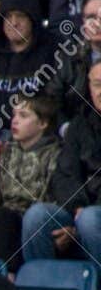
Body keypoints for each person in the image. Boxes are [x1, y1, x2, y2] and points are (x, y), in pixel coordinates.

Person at [23, 61, 101, 265]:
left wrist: (84, 218)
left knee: (90, 220)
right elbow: (64, 175)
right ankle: (42, 283)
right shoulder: (80, 124)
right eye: (97, 84)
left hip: (93, 216)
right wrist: (77, 209)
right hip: (81, 211)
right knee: (37, 216)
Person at [0, 94, 59, 266]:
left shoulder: (55, 154)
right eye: (14, 115)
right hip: (3, 218)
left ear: (43, 123)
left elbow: (49, 197)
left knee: (7, 220)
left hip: (32, 221)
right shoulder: (6, 150)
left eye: (23, 116)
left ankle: (7, 275)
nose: (15, 121)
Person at [0, 0, 58, 133]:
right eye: (8, 16)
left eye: (20, 16)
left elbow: (54, 101)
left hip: (39, 134)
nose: (13, 23)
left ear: (32, 18)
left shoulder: (51, 51)